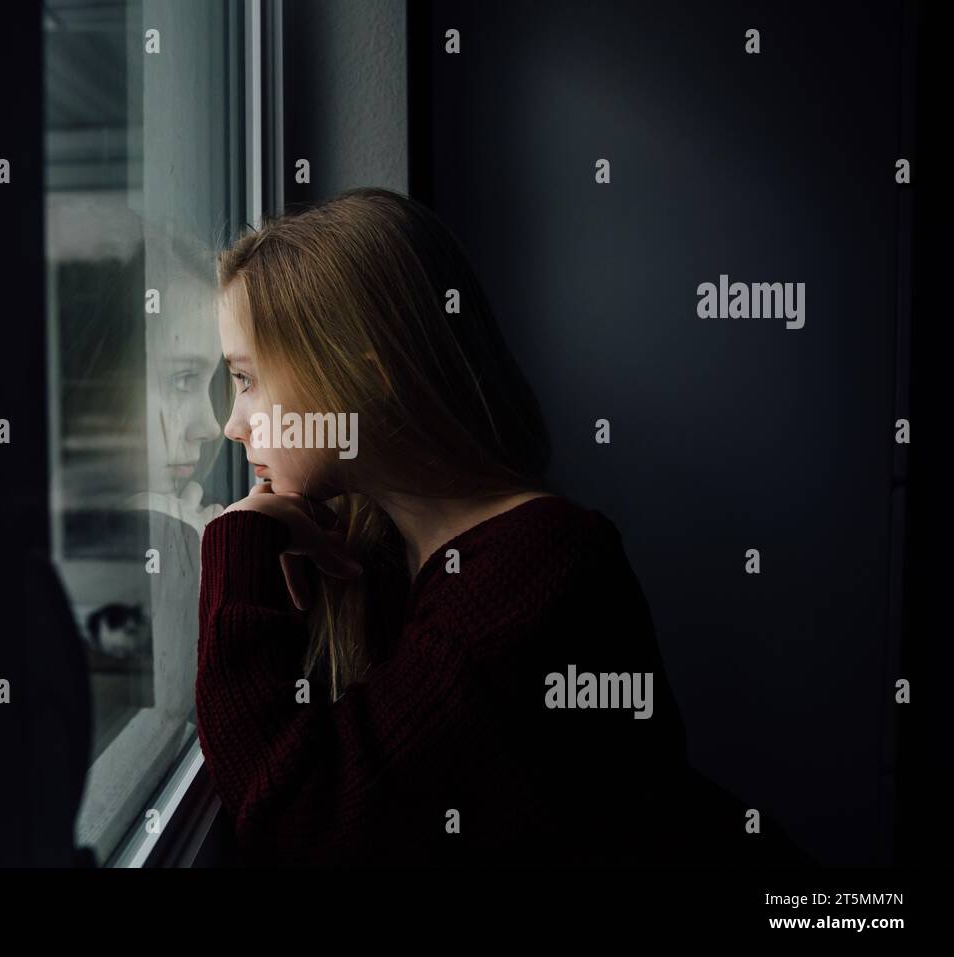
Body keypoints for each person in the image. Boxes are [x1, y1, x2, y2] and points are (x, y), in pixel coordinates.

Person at [194, 187, 812, 867]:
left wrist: (239, 547)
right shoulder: (403, 554)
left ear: (360, 381)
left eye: (247, 380)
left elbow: (298, 822)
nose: (232, 424)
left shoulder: (533, 582)